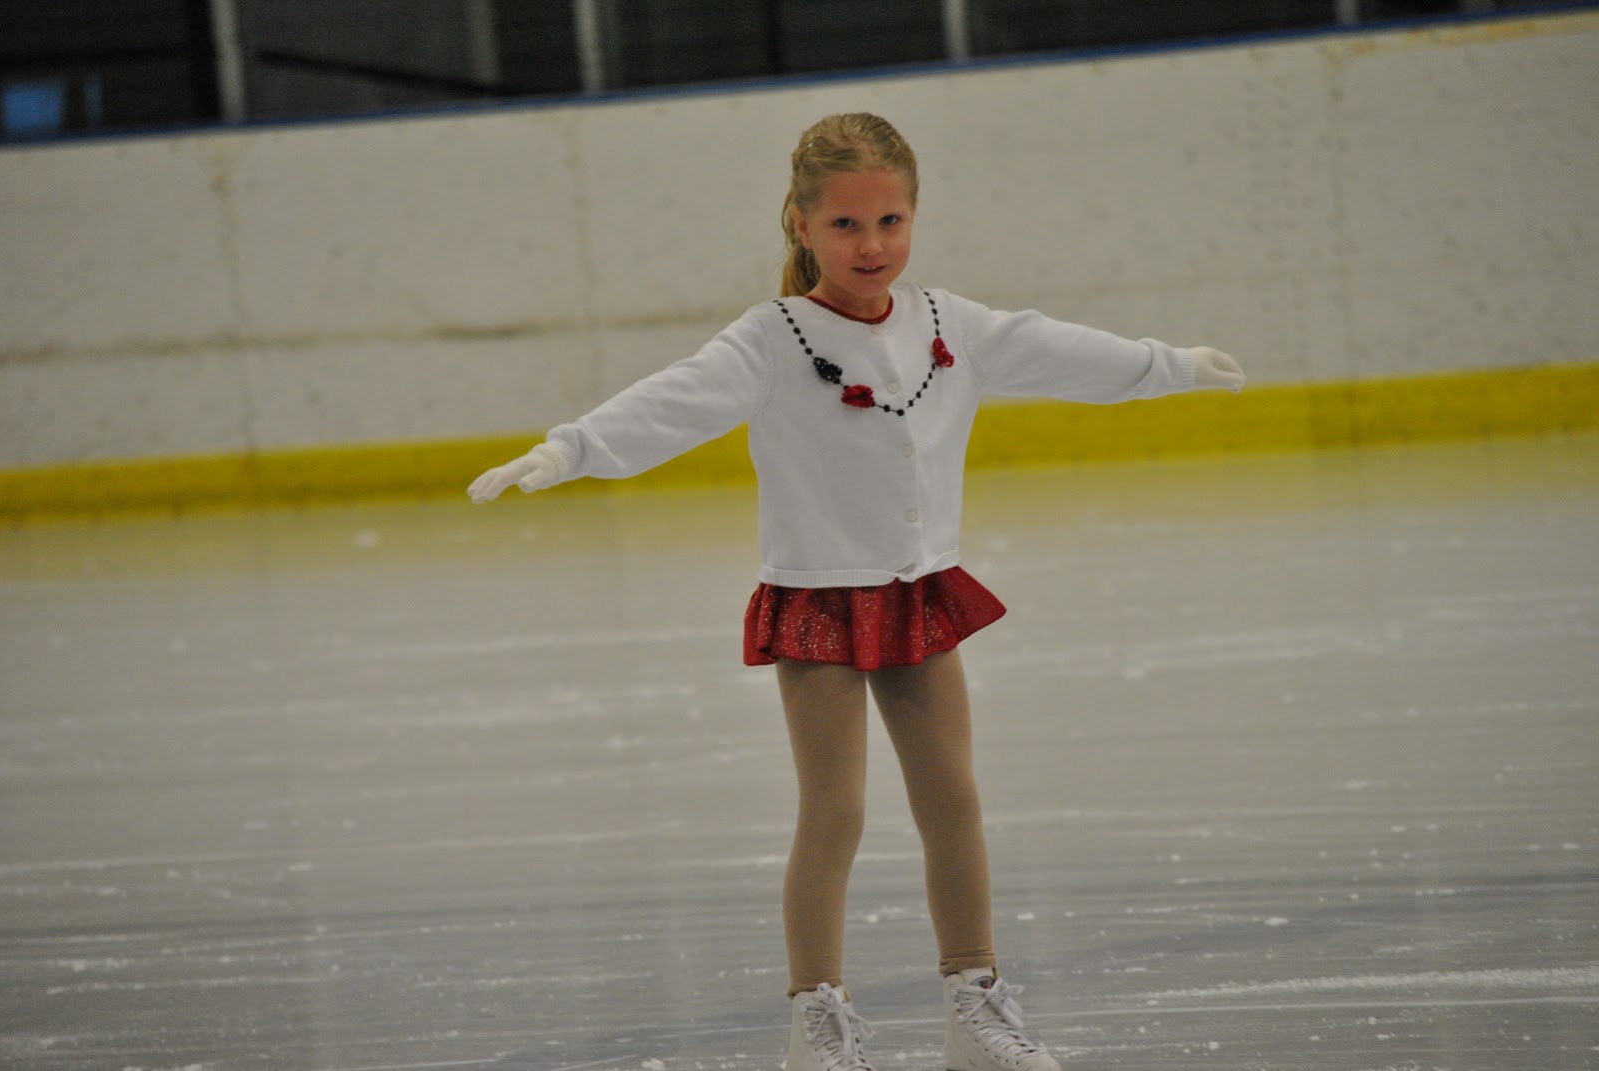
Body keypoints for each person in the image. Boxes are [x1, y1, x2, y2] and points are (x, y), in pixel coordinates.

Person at [469, 112, 1244, 1071]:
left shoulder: (948, 323)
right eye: (844, 226)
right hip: (819, 598)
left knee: (952, 798)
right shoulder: (772, 338)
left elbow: (1057, 351)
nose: (870, 245)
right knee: (834, 808)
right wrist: (571, 448)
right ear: (800, 224)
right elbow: (674, 398)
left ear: (913, 219)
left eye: (890, 221)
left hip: (919, 593)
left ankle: (975, 1006)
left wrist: (1168, 365)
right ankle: (816, 1023)